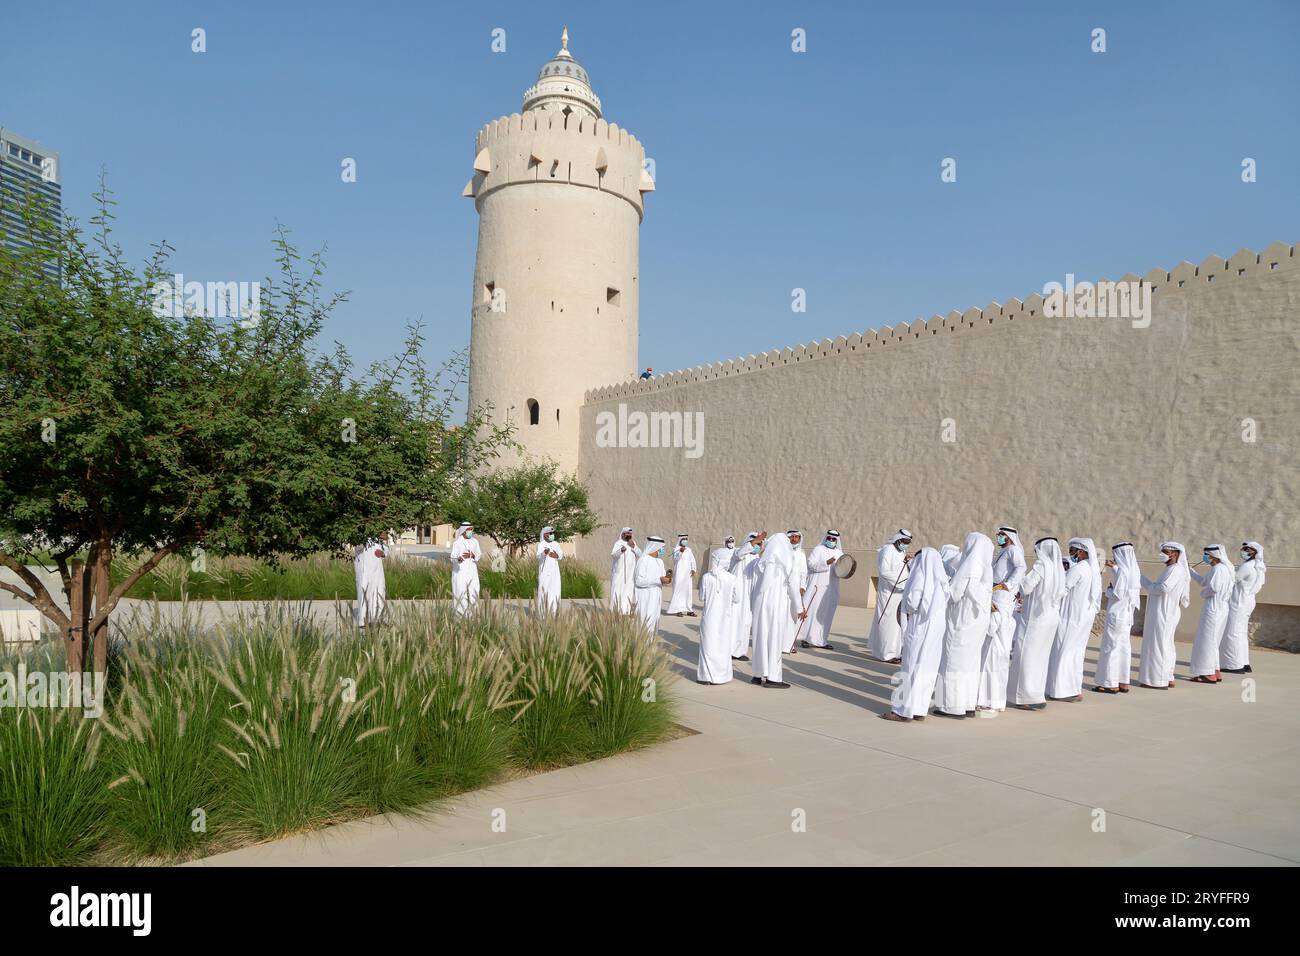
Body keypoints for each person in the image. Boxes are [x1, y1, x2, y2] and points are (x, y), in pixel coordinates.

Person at [882, 547, 950, 722]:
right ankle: (919, 709)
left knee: (911, 668)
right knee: (927, 669)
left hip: (919, 627)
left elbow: (912, 602)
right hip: (935, 629)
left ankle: (902, 711)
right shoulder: (941, 580)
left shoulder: (920, 576)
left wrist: (907, 607)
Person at [934, 532, 994, 718]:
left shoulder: (970, 566)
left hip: (962, 621)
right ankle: (967, 704)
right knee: (970, 664)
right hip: (977, 623)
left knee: (954, 662)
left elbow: (954, 593)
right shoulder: (986, 567)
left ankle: (951, 706)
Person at [1006, 537, 1065, 710]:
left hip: (1035, 618)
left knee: (1026, 656)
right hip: (1051, 617)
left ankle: (1024, 697)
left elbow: (1026, 587)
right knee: (1041, 657)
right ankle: (1037, 695)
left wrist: (1018, 583)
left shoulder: (1041, 566)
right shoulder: (1058, 568)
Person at [1046, 538, 1102, 702]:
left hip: (1070, 617)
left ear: (1082, 551)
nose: (1070, 553)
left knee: (1063, 651)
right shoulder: (1090, 569)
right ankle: (1073, 688)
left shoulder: (1078, 569)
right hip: (1081, 618)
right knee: (1076, 653)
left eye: (1073, 550)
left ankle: (1061, 690)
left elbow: (1062, 589)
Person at [749, 532, 806, 688]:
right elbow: (794, 588)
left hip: (760, 604)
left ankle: (757, 675)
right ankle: (773, 678)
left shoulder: (762, 562)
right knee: (774, 639)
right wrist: (800, 608)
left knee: (760, 638)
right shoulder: (788, 563)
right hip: (776, 604)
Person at [978, 526, 1025, 712]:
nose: (998, 537)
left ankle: (994, 700)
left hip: (1002, 600)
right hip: (995, 595)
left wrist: (1008, 585)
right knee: (989, 653)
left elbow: (1021, 567)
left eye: (1001, 535)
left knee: (996, 653)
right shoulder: (1003, 552)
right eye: (998, 534)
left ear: (1009, 536)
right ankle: (985, 697)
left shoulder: (1013, 550)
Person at [1137, 542, 1191, 689]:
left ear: (1175, 553)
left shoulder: (1176, 570)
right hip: (1162, 612)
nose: (1162, 554)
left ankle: (1158, 680)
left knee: (1160, 645)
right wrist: (1141, 577)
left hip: (1165, 613)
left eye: (1165, 551)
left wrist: (1148, 585)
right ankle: (1168, 677)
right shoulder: (1170, 569)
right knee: (1165, 645)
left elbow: (1163, 588)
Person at [1094, 542, 1140, 693]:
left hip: (1117, 615)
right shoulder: (1133, 570)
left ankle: (1110, 683)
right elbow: (1125, 582)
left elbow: (1117, 594)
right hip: (1126, 616)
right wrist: (1113, 567)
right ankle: (1123, 681)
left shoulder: (1123, 572)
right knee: (1124, 648)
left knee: (1111, 647)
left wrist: (1108, 591)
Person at [1188, 544, 1234, 684]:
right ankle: (1215, 670)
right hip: (1220, 608)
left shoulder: (1219, 569)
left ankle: (1208, 674)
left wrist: (1203, 594)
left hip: (1214, 607)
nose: (1205, 558)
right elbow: (1203, 581)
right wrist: (1189, 570)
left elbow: (1212, 588)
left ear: (1214, 556)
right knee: (1214, 640)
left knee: (1207, 641)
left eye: (1207, 555)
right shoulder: (1221, 568)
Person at [867, 529, 913, 663]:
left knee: (898, 624)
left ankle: (895, 652)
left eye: (908, 542)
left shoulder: (901, 551)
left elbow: (902, 568)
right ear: (898, 539)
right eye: (904, 541)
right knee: (888, 623)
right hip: (888, 593)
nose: (906, 544)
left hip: (900, 593)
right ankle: (885, 654)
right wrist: (900, 583)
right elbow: (884, 571)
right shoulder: (887, 550)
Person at [697, 547, 741, 684]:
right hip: (725, 618)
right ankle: (722, 676)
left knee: (708, 646)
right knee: (722, 645)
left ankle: (706, 677)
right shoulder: (732, 578)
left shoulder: (706, 577)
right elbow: (737, 598)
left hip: (709, 617)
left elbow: (701, 597)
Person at [1222, 541, 1265, 674]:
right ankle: (1244, 662)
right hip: (1248, 601)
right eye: (1244, 548)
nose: (1244, 551)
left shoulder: (1247, 566)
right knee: (1240, 633)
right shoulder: (1258, 566)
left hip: (1239, 602)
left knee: (1232, 632)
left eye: (1248, 549)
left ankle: (1234, 665)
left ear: (1255, 552)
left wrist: (1223, 564)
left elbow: (1232, 579)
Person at [800, 529, 842, 650]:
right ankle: (806, 638)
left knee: (826, 614)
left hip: (831, 588)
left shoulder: (839, 553)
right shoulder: (819, 549)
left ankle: (821, 640)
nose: (831, 541)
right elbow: (811, 564)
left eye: (834, 539)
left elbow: (842, 569)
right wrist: (826, 563)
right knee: (812, 610)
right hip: (817, 586)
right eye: (829, 538)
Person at [729, 532, 760, 659]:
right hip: (737, 596)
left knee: (746, 623)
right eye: (754, 542)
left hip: (749, 597)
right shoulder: (739, 553)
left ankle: (740, 651)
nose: (757, 545)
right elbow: (739, 553)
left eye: (759, 543)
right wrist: (754, 541)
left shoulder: (758, 558)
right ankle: (729, 650)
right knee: (734, 622)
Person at [634, 536, 671, 636]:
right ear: (655, 547)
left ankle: (650, 646)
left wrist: (666, 580)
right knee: (644, 623)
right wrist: (658, 580)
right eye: (661, 548)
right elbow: (638, 581)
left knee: (654, 622)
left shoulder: (660, 562)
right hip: (645, 597)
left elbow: (662, 578)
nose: (662, 550)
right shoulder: (643, 560)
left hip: (656, 597)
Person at [353, 532, 390, 628]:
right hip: (364, 567)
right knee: (364, 591)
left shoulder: (380, 531)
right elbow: (358, 547)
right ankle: (362, 620)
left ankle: (378, 619)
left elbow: (386, 548)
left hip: (377, 567)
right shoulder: (360, 531)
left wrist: (383, 553)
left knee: (380, 590)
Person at [783, 530, 809, 653]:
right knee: (781, 618)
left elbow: (804, 573)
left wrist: (802, 587)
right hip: (782, 590)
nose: (794, 539)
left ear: (799, 539)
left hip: (796, 591)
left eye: (796, 537)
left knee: (793, 618)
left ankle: (789, 645)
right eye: (792, 537)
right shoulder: (783, 552)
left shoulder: (801, 554)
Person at [451, 522, 481, 616]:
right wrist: (459, 559)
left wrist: (473, 555)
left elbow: (479, 554)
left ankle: (474, 615)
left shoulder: (475, 541)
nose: (471, 532)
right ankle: (460, 615)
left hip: (472, 570)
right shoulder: (457, 543)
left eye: (471, 530)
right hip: (460, 571)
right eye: (469, 530)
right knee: (460, 592)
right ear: (464, 531)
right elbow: (452, 558)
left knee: (474, 591)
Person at [609, 527, 641, 614]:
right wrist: (621, 550)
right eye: (627, 533)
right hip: (619, 573)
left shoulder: (633, 543)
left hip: (630, 574)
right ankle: (615, 611)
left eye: (630, 534)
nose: (629, 535)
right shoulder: (618, 543)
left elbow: (640, 554)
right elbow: (614, 555)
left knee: (628, 592)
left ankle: (625, 611)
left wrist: (633, 547)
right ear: (623, 534)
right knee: (617, 591)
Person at [535, 526, 564, 615]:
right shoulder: (541, 544)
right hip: (545, 573)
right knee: (544, 591)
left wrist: (557, 555)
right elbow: (538, 557)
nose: (552, 535)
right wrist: (544, 553)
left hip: (555, 573)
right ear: (545, 534)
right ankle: (542, 614)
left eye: (553, 533)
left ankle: (554, 613)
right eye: (550, 533)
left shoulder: (556, 544)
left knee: (555, 591)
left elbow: (561, 555)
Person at [667, 534, 697, 616]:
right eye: (684, 539)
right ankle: (677, 609)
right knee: (678, 590)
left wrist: (693, 569)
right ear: (680, 540)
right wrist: (680, 551)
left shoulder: (689, 550)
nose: (685, 540)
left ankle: (689, 609)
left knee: (688, 592)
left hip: (687, 574)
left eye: (686, 539)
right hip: (679, 574)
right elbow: (676, 559)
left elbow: (692, 560)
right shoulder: (676, 549)